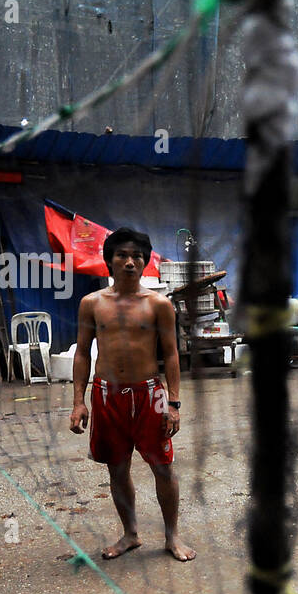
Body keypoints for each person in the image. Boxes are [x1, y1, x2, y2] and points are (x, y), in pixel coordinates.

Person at [69, 228, 195, 562]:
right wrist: (79, 401)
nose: (129, 261)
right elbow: (82, 353)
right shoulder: (91, 304)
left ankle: (172, 536)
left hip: (149, 395)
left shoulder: (159, 305)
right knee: (117, 468)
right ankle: (130, 534)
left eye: (137, 256)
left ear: (145, 262)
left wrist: (174, 402)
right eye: (122, 255)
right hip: (108, 396)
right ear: (108, 260)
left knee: (163, 468)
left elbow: (170, 355)